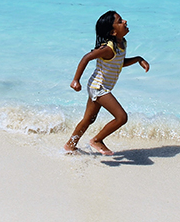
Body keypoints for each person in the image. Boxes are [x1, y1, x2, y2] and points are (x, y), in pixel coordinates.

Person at [64, 11, 149, 155]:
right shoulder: (108, 48)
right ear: (113, 32)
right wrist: (75, 80)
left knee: (88, 119)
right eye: (120, 21)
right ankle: (97, 140)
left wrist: (138, 59)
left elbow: (119, 63)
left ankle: (69, 146)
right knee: (121, 117)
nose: (125, 21)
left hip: (98, 87)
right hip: (99, 88)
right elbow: (86, 57)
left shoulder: (122, 44)